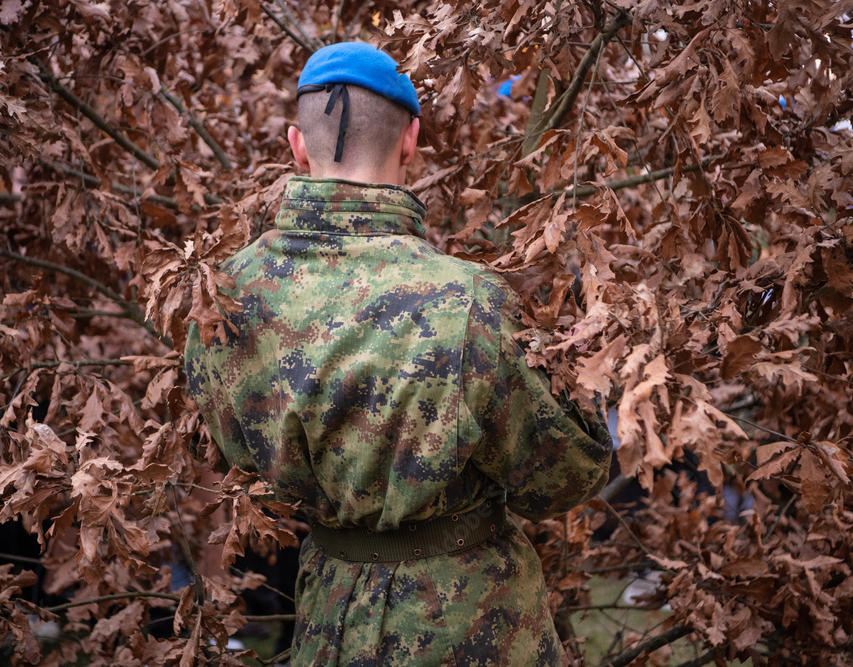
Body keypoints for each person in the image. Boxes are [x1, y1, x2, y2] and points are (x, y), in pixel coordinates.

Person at [184, 41, 613, 666]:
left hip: (326, 615)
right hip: (469, 629)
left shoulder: (223, 295)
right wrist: (580, 356)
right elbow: (566, 475)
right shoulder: (467, 302)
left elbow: (232, 461)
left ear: (296, 145)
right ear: (410, 139)